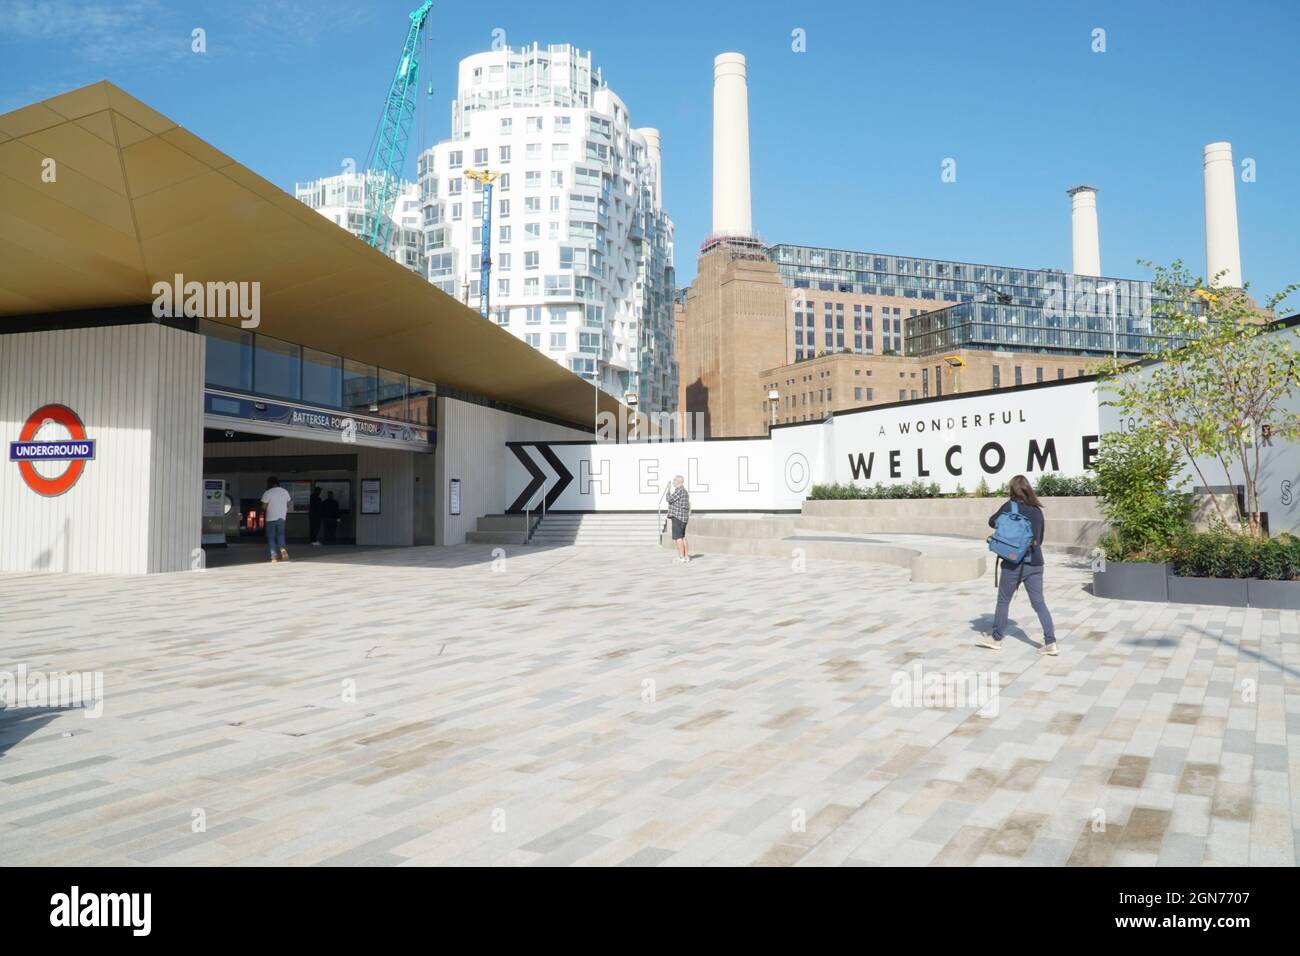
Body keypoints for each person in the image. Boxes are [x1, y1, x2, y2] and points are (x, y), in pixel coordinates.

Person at [977, 474, 1058, 654]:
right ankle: (1050, 642)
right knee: (1039, 603)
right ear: (1029, 489)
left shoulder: (1009, 507)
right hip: (1036, 562)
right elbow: (1040, 539)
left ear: (1012, 489)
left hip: (1013, 563)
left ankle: (996, 638)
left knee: (1003, 601)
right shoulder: (1037, 511)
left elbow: (992, 522)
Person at [260, 476, 292, 563]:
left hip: (271, 518)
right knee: (281, 535)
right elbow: (288, 504)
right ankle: (282, 550)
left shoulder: (268, 492)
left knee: (271, 537)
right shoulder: (284, 491)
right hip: (282, 517)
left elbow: (263, 507)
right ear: (277, 483)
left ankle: (274, 556)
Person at [666, 475, 691, 564]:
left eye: (674, 480)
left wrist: (668, 490)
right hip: (683, 518)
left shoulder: (679, 491)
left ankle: (681, 557)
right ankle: (686, 556)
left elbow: (669, 499)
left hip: (678, 517)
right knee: (683, 537)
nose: (673, 482)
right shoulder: (684, 491)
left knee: (678, 538)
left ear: (679, 482)